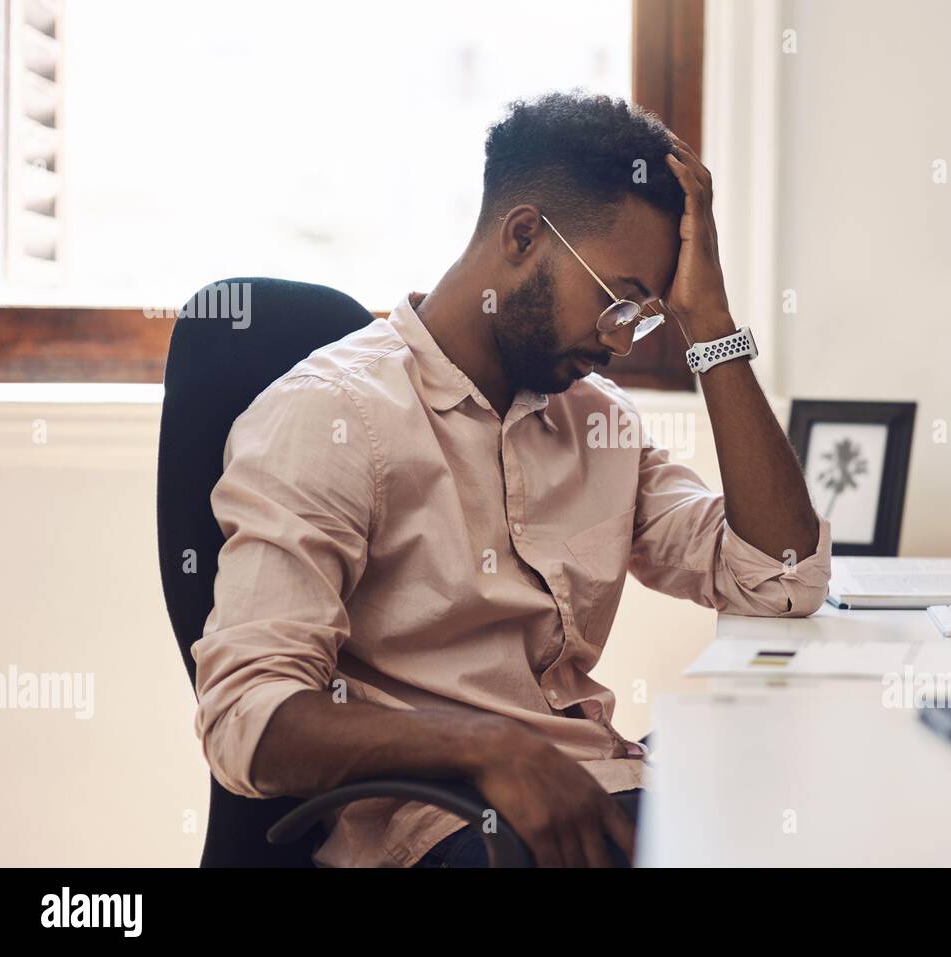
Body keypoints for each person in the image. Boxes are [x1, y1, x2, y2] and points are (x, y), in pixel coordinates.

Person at [192, 92, 832, 868]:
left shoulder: (597, 420)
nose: (621, 342)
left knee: (829, 788)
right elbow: (245, 714)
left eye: (644, 316)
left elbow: (780, 579)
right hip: (442, 827)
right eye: (618, 302)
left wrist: (713, 329)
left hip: (596, 783)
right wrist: (483, 744)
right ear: (525, 235)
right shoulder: (332, 415)